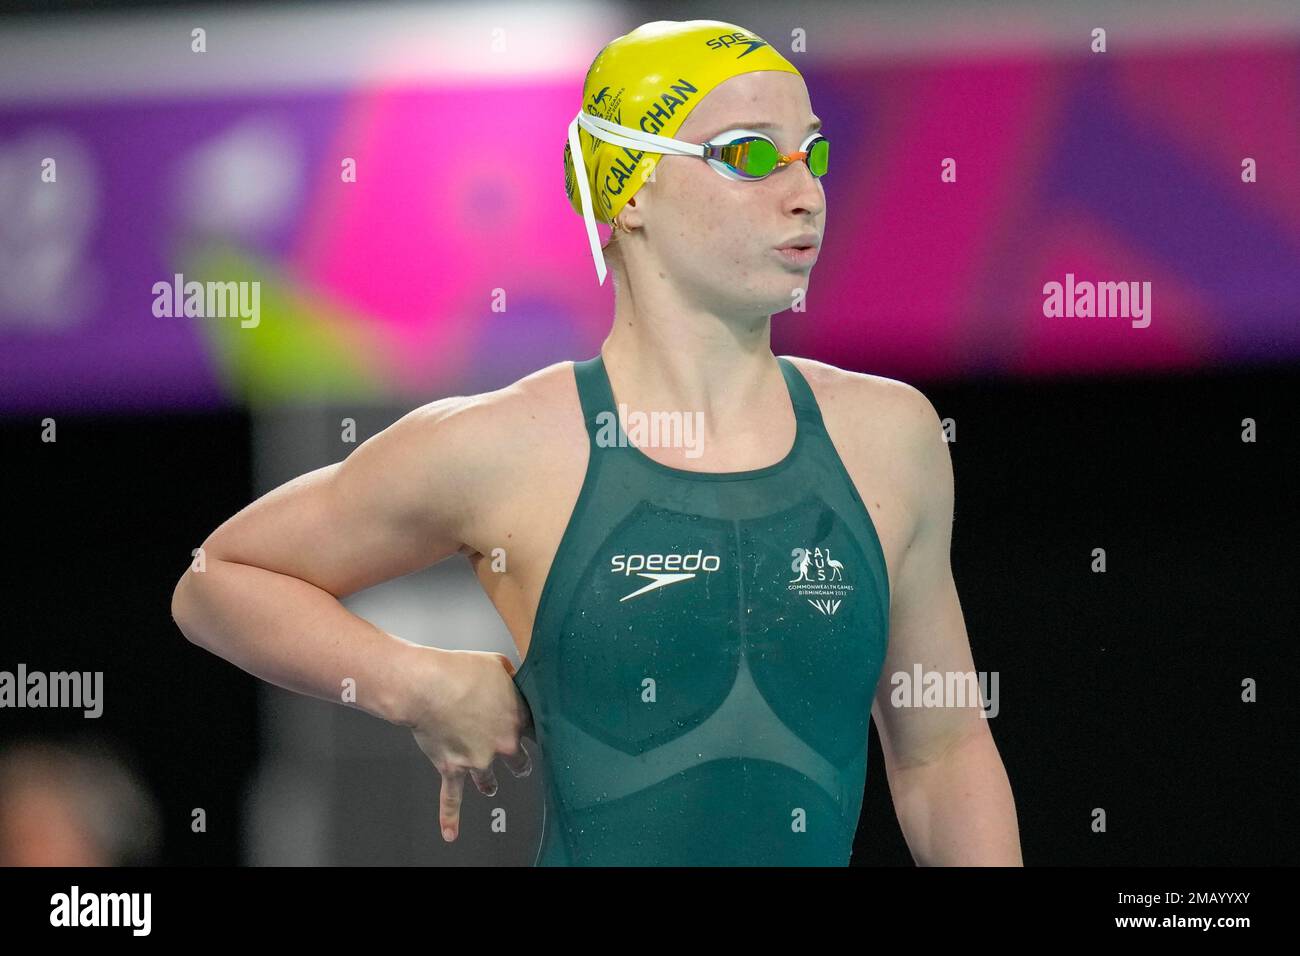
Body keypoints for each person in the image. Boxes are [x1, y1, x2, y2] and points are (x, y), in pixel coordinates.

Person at [171, 19, 1021, 866]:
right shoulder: (510, 446)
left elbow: (942, 754)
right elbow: (216, 582)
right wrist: (412, 682)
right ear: (629, 192)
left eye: (814, 155)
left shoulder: (889, 437)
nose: (806, 192)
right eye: (751, 157)